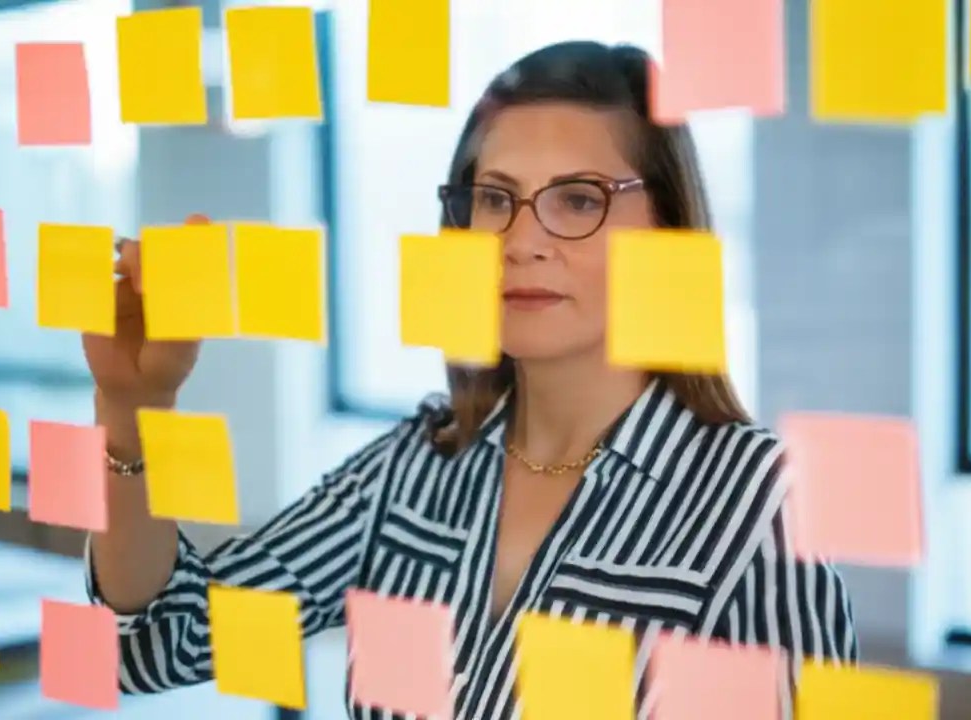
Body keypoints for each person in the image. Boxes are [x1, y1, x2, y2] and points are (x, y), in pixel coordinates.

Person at [83, 40, 857, 719]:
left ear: (670, 231)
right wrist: (133, 406)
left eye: (579, 199)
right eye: (494, 200)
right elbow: (155, 643)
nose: (521, 241)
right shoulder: (420, 464)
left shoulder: (756, 506)